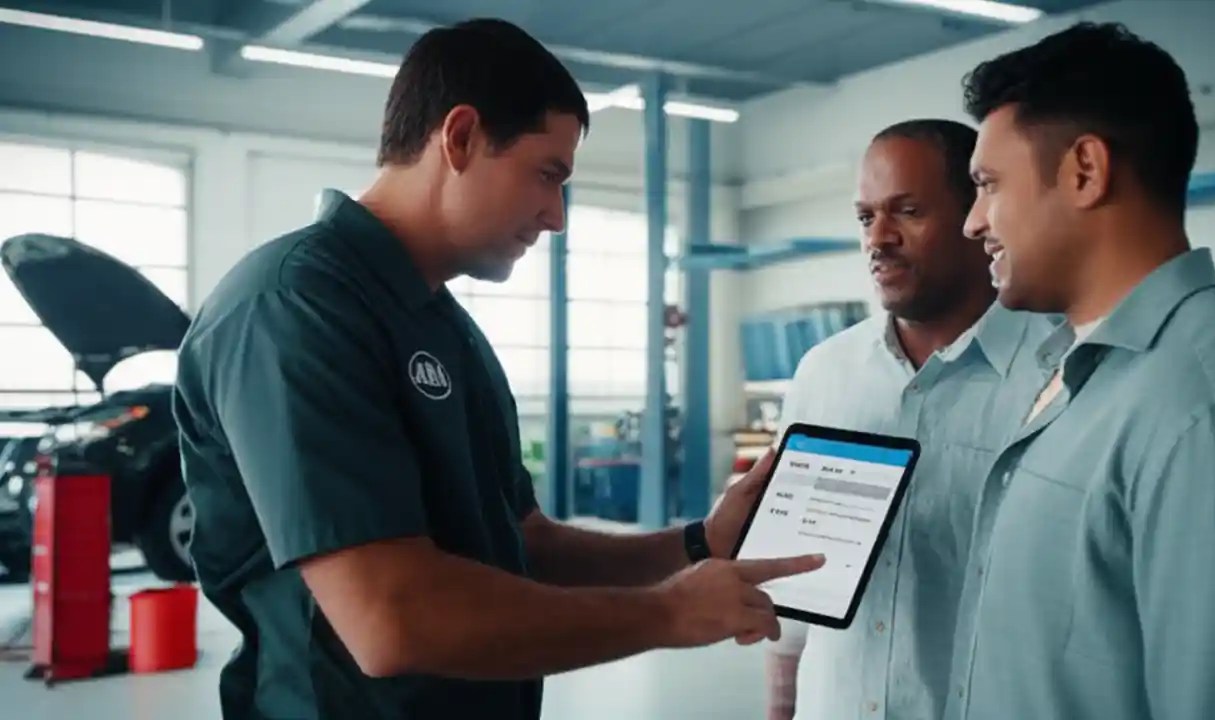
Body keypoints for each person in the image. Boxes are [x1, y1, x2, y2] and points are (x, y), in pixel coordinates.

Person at [172, 18, 822, 720]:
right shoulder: (293, 308)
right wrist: (665, 615)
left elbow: (523, 544)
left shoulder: (447, 329)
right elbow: (390, 619)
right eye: (548, 174)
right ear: (459, 137)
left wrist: (696, 543)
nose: (556, 216)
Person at [949, 22, 1215, 720]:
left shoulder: (1209, 410)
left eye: (987, 185)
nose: (972, 222)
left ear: (1084, 171)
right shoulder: (1079, 371)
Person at [765, 119, 1053, 720]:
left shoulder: (1057, 375)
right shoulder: (824, 373)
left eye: (908, 211)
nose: (879, 238)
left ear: (978, 215)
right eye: (866, 217)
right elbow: (792, 601)